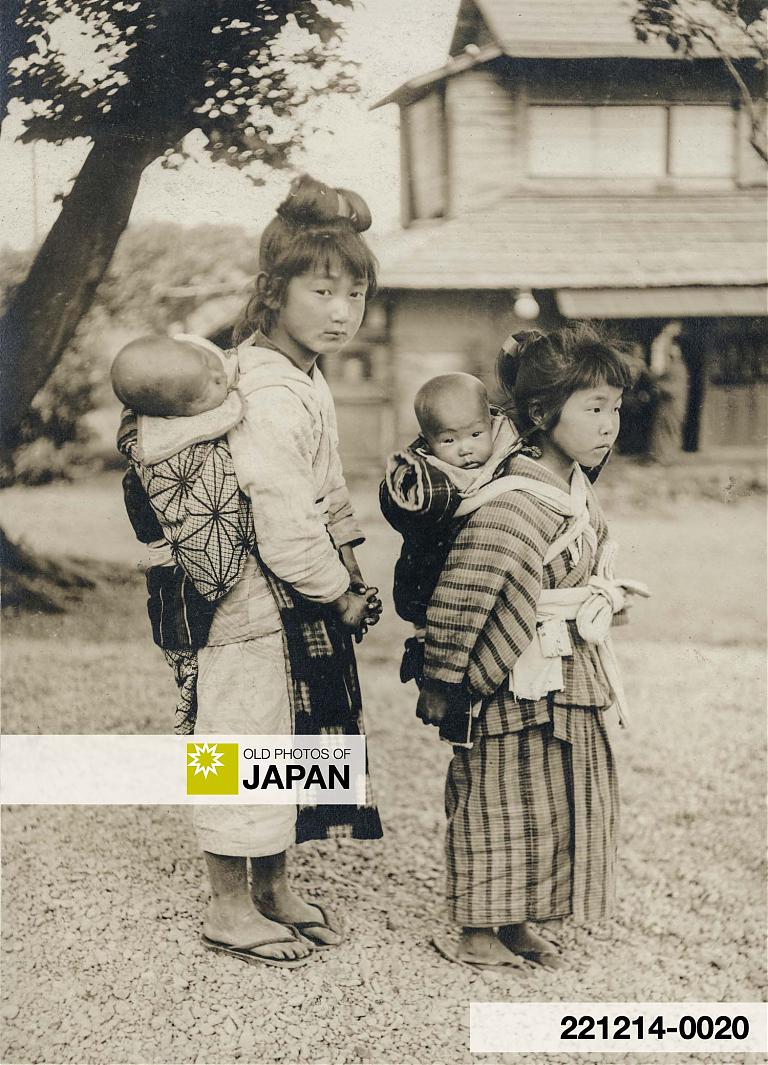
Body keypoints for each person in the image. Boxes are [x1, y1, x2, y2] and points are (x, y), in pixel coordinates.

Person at [117, 174, 384, 968]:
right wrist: (339, 590)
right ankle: (228, 904)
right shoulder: (267, 388)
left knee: (281, 735)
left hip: (279, 591)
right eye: (322, 291)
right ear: (274, 291)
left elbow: (326, 487)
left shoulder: (302, 374)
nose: (342, 310)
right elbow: (285, 521)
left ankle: (272, 886)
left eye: (356, 293)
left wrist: (350, 560)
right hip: (241, 594)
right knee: (238, 738)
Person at [415, 324, 649, 969]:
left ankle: (517, 920)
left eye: (614, 408)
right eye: (593, 408)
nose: (609, 425)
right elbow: (463, 596)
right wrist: (441, 681)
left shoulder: (570, 486)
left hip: (566, 670)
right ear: (542, 413)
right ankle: (476, 931)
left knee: (553, 799)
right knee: (498, 798)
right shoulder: (512, 502)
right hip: (513, 679)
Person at [379, 373, 518, 715]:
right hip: (438, 568)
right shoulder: (428, 470)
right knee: (428, 594)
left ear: (490, 423)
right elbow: (400, 500)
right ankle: (427, 656)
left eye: (475, 435)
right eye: (448, 440)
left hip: (489, 563)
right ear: (428, 441)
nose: (465, 448)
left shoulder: (508, 443)